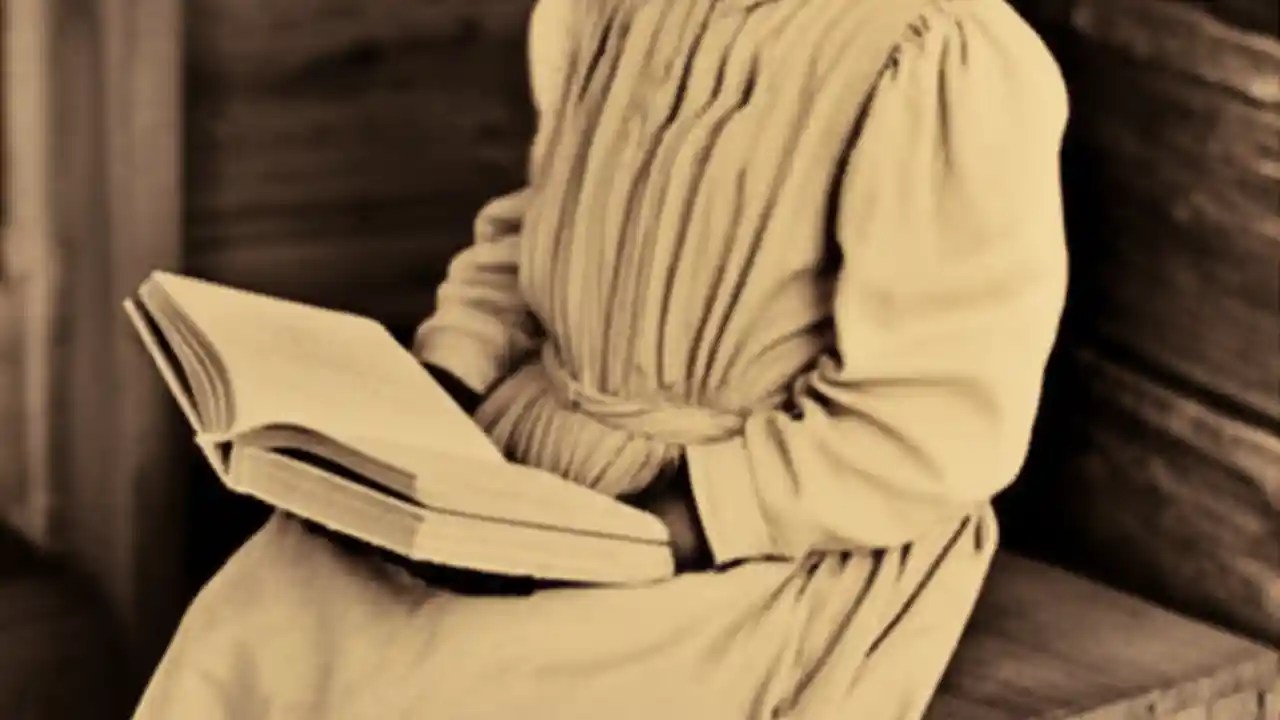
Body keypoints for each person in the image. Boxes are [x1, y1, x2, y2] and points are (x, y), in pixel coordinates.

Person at [133, 0, 1069, 716]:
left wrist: (675, 523)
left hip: (763, 527)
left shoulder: (939, 56)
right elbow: (541, 228)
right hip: (526, 458)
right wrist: (443, 383)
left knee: (460, 691)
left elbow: (938, 423)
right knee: (265, 609)